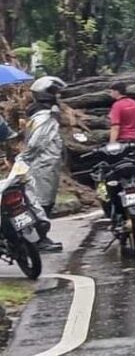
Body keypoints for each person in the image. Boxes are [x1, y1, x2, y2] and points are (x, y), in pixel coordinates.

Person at [18, 76, 66, 252]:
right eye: (55, 94)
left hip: (46, 163)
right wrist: (24, 157)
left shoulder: (42, 115)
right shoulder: (45, 117)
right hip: (43, 164)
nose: (58, 97)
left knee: (42, 201)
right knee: (42, 203)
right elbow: (37, 143)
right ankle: (40, 239)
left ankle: (39, 238)